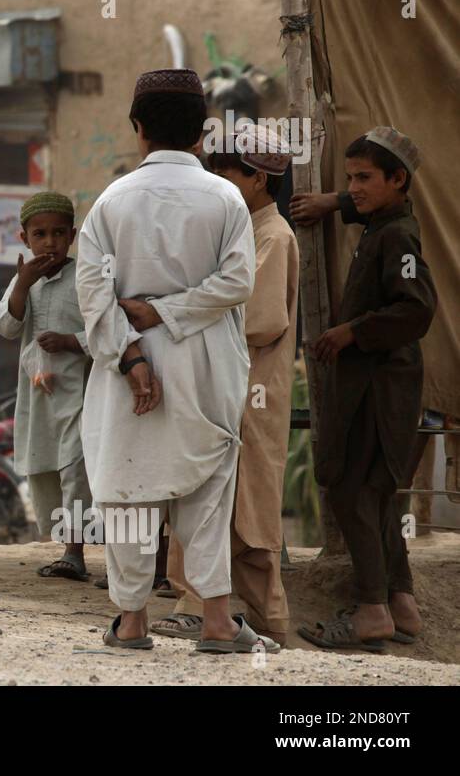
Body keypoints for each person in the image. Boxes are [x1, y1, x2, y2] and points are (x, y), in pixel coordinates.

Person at [75, 68, 277, 653]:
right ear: (202, 131)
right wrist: (173, 313)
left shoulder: (110, 202)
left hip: (126, 374)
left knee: (130, 489)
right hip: (207, 367)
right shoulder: (226, 199)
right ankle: (217, 620)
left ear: (138, 128)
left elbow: (95, 298)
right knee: (207, 490)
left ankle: (132, 621)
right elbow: (238, 282)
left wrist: (133, 357)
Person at [158, 121, 298, 646]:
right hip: (229, 387)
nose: (216, 179)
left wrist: (186, 310)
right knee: (222, 496)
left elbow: (259, 319)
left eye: (227, 171)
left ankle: (210, 608)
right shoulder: (244, 229)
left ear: (259, 179)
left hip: (250, 391)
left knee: (241, 506)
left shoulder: (272, 235)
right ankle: (259, 620)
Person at [297, 127, 435, 651]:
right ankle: (401, 605)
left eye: (364, 178)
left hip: (379, 388)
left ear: (398, 180)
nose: (352, 187)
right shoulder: (383, 222)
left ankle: (371, 610)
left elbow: (415, 308)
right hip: (376, 385)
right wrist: (335, 200)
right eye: (349, 176)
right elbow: (361, 203)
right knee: (377, 497)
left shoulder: (398, 236)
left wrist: (352, 331)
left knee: (353, 491)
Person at [0, 191, 95, 580]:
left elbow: (105, 330)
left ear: (72, 235)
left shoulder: (83, 278)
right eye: (40, 234)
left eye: (57, 233)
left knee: (76, 469)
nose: (49, 242)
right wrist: (22, 285)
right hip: (39, 399)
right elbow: (6, 326)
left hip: (81, 393)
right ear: (24, 239)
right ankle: (67, 544)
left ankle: (75, 551)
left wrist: (71, 342)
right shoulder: (25, 281)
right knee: (46, 468)